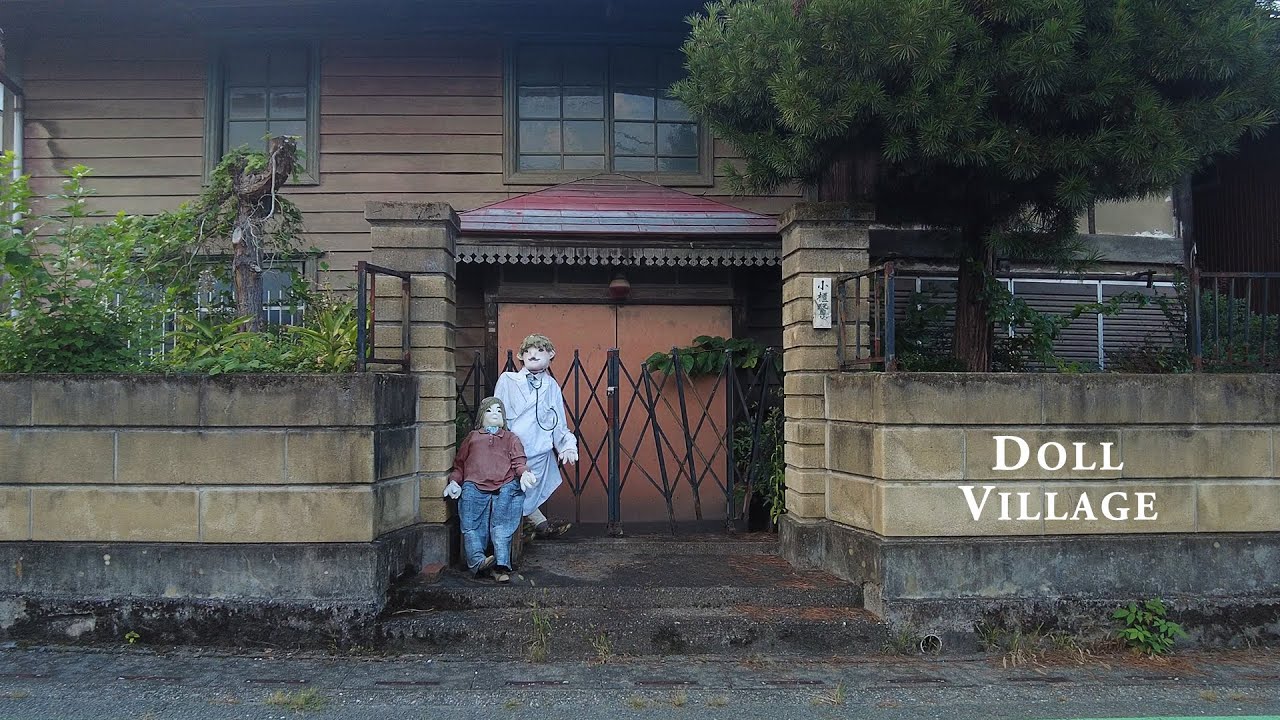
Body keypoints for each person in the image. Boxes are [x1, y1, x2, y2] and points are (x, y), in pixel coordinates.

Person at [443, 397, 537, 583]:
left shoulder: (511, 438)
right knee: (470, 519)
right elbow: (459, 466)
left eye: (498, 411)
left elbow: (519, 462)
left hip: (505, 484)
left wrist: (525, 473)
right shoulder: (472, 438)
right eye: (489, 410)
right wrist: (454, 482)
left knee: (502, 521)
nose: (494, 414)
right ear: (481, 416)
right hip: (474, 485)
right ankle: (478, 560)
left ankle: (501, 563)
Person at [494, 333, 578, 539]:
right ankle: (530, 528)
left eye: (540, 350)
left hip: (539, 451)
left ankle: (532, 527)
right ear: (521, 356)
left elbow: (558, 421)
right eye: (528, 351)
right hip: (511, 451)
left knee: (528, 491)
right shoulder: (508, 380)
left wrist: (567, 445)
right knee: (508, 492)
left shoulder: (551, 387)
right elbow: (496, 413)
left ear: (551, 355)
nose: (533, 354)